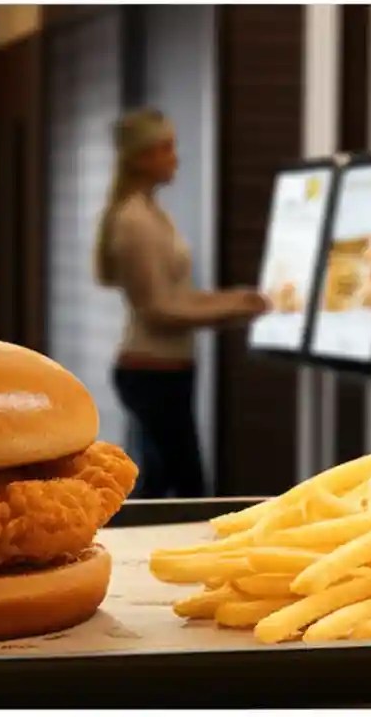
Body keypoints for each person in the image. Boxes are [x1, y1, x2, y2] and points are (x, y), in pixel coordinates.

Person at [95, 108, 271, 499]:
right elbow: (159, 308)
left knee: (163, 479)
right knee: (186, 483)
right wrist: (233, 310)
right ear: (142, 157)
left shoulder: (153, 213)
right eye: (166, 148)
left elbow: (180, 296)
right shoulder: (135, 221)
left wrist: (239, 298)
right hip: (151, 370)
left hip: (168, 369)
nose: (175, 157)